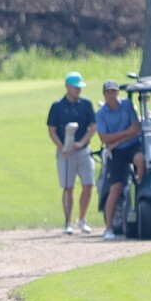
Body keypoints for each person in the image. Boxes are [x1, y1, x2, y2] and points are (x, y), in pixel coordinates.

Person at [45, 72, 96, 234]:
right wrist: (62, 147)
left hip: (83, 150)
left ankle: (82, 219)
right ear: (67, 87)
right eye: (76, 87)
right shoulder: (57, 106)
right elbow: (52, 130)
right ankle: (67, 222)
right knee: (68, 187)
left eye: (80, 87)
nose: (78, 90)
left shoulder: (86, 104)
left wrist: (81, 142)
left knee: (88, 184)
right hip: (65, 153)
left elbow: (93, 126)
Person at [95, 79, 143, 240]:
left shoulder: (127, 105)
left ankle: (141, 186)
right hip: (116, 153)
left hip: (131, 147)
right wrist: (125, 134)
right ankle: (108, 227)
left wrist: (118, 140)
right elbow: (105, 138)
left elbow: (136, 128)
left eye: (114, 91)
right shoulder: (101, 114)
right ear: (104, 94)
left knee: (141, 160)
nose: (111, 94)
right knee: (115, 188)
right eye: (108, 92)